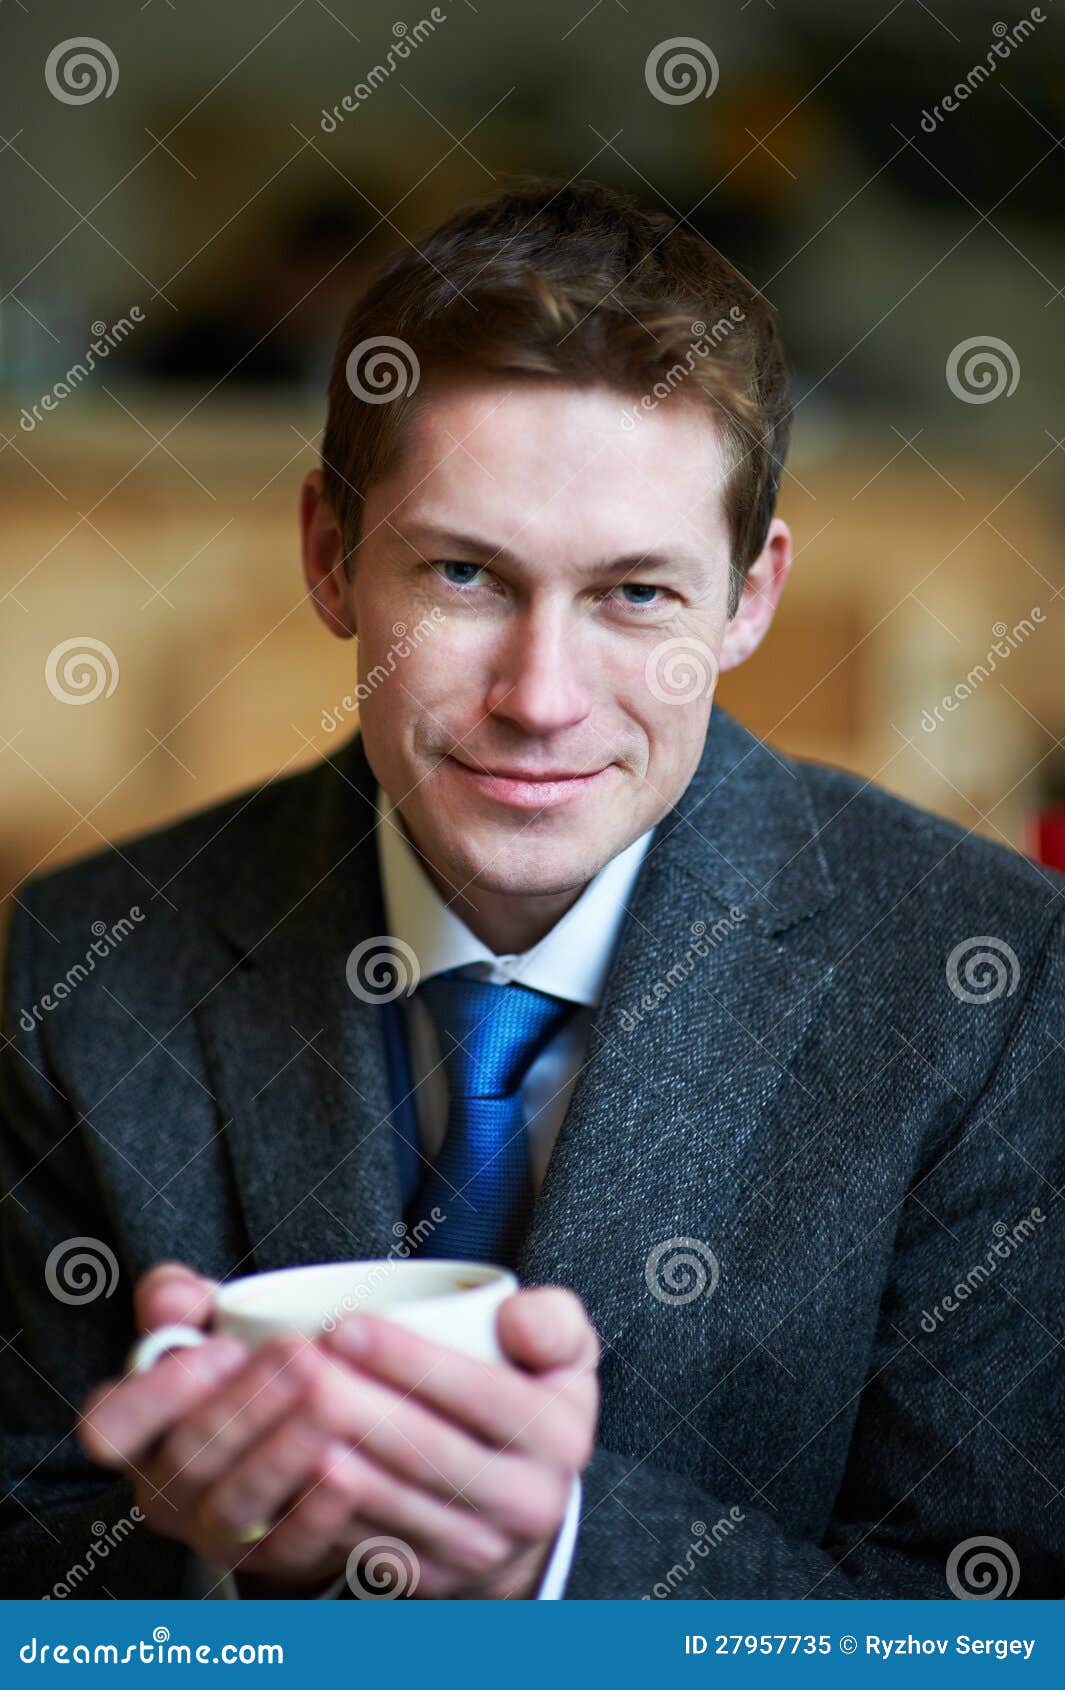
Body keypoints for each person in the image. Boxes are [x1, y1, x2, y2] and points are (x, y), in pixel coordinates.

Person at [1, 177, 1062, 1602]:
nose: (540, 700)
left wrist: (554, 1561)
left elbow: (988, 1624)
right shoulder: (82, 961)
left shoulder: (985, 976)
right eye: (461, 574)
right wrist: (201, 1552)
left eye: (635, 595)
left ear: (747, 597)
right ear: (329, 556)